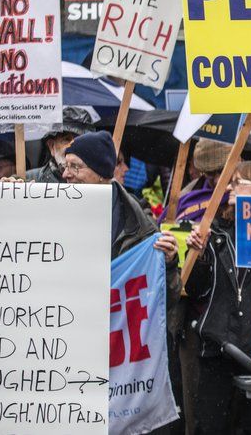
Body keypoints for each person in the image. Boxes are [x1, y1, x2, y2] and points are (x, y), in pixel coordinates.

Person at [63, 131, 183, 432]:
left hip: (116, 353)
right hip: (69, 346)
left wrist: (168, 264)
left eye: (76, 166)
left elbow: (165, 299)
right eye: (66, 166)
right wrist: (11, 196)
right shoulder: (53, 208)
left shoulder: (139, 226)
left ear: (101, 173)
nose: (66, 174)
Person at [184, 161, 251, 434]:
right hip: (219, 345)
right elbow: (197, 290)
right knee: (211, 426)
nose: (230, 187)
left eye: (239, 182)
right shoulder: (216, 233)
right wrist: (198, 257)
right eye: (230, 182)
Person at [28, 106, 94, 183]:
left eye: (79, 139)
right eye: (66, 139)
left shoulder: (98, 179)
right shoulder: (29, 179)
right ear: (52, 147)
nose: (73, 145)